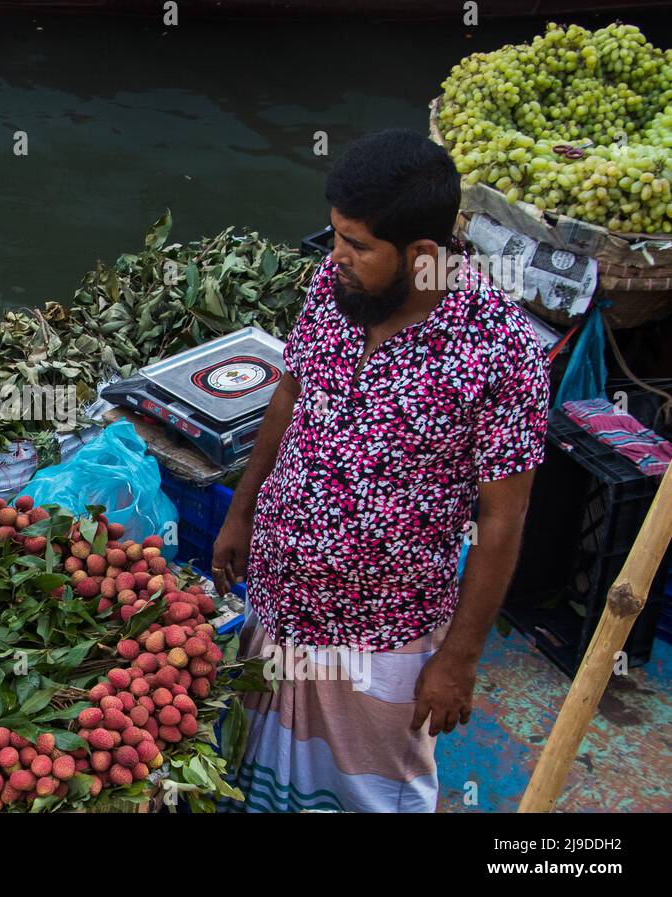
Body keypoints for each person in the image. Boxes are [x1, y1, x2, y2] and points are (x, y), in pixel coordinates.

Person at [211, 129, 549, 812]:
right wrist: (242, 510)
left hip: (382, 631)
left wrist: (457, 658)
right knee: (253, 766)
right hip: (279, 598)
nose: (335, 256)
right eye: (337, 235)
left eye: (358, 245)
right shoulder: (335, 289)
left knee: (368, 791)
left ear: (422, 255)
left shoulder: (499, 350)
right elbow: (290, 390)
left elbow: (502, 517)